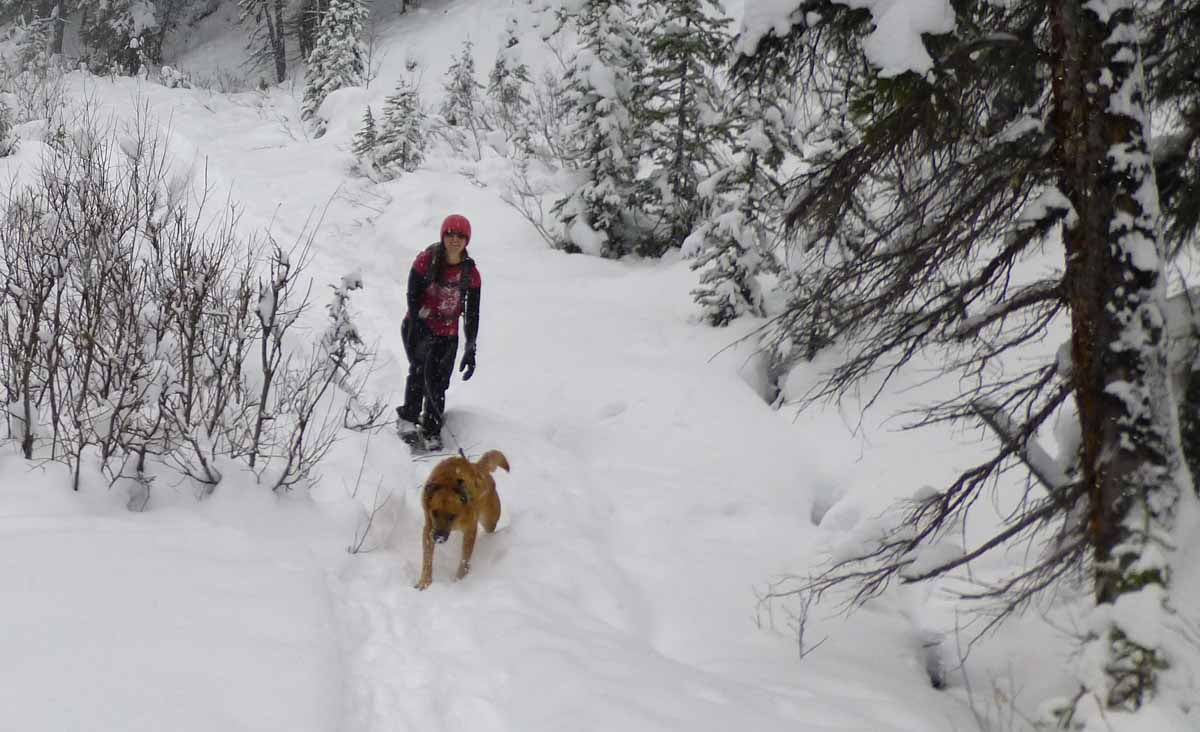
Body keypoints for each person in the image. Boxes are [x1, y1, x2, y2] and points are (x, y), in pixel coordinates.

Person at [396, 214, 482, 451]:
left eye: (460, 236)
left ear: (467, 240)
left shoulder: (470, 274)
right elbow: (412, 297)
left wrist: (470, 348)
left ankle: (432, 428)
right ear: (443, 236)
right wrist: (421, 328)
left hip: (448, 333)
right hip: (417, 325)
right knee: (420, 372)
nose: (455, 240)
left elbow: (472, 313)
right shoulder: (427, 261)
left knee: (439, 382)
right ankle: (408, 419)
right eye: (450, 234)